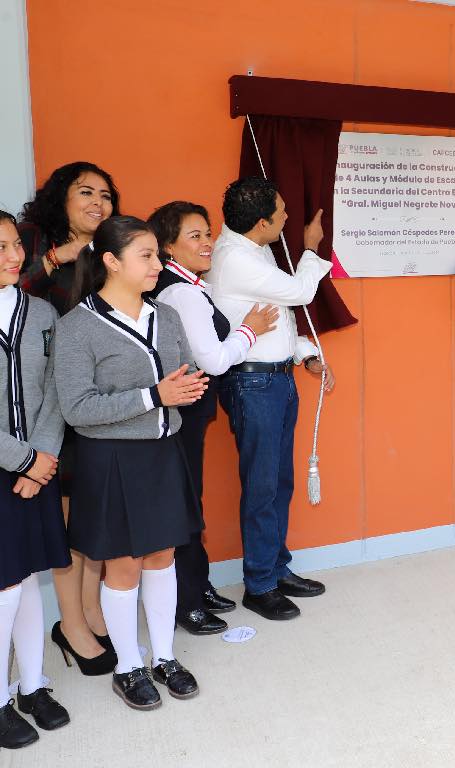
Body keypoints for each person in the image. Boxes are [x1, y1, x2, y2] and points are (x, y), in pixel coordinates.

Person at [54, 216, 207, 709]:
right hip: (113, 460)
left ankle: (163, 655)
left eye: (156, 256)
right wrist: (154, 395)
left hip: (164, 453)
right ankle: (128, 666)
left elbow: (181, 373)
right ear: (111, 262)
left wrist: (188, 386)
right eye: (146, 256)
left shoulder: (166, 315)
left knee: (162, 556)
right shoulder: (77, 326)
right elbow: (77, 410)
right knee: (123, 566)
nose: (157, 265)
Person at [207, 178, 335, 621]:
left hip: (274, 379)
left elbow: (278, 316)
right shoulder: (236, 259)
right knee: (262, 486)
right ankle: (259, 583)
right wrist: (312, 249)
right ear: (261, 223)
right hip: (253, 385)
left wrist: (304, 352)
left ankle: (277, 569)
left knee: (280, 481)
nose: (286, 217)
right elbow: (300, 293)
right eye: (280, 212)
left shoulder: (255, 249)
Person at [148, 202, 278, 634]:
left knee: (191, 500)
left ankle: (197, 587)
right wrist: (251, 329)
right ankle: (187, 602)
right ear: (168, 247)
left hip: (189, 414)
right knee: (183, 505)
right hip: (180, 414)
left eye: (208, 234)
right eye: (195, 236)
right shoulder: (181, 292)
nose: (207, 244)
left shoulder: (190, 285)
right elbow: (216, 360)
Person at [18, 162, 120, 674]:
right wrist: (59, 256)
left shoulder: (108, 252)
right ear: (61, 198)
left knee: (92, 514)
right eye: (86, 192)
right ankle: (71, 624)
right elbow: (13, 289)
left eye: (105, 195)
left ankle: (93, 609)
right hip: (46, 403)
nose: (97, 202)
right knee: (63, 519)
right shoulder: (30, 241)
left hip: (98, 399)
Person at [0, 211, 70, 748]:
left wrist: (43, 454)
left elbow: (53, 388)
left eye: (15, 244)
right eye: (0, 247)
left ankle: (33, 683)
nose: (14, 255)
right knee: (4, 586)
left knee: (25, 581)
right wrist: (21, 459)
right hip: (8, 466)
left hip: (38, 465)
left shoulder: (42, 311)